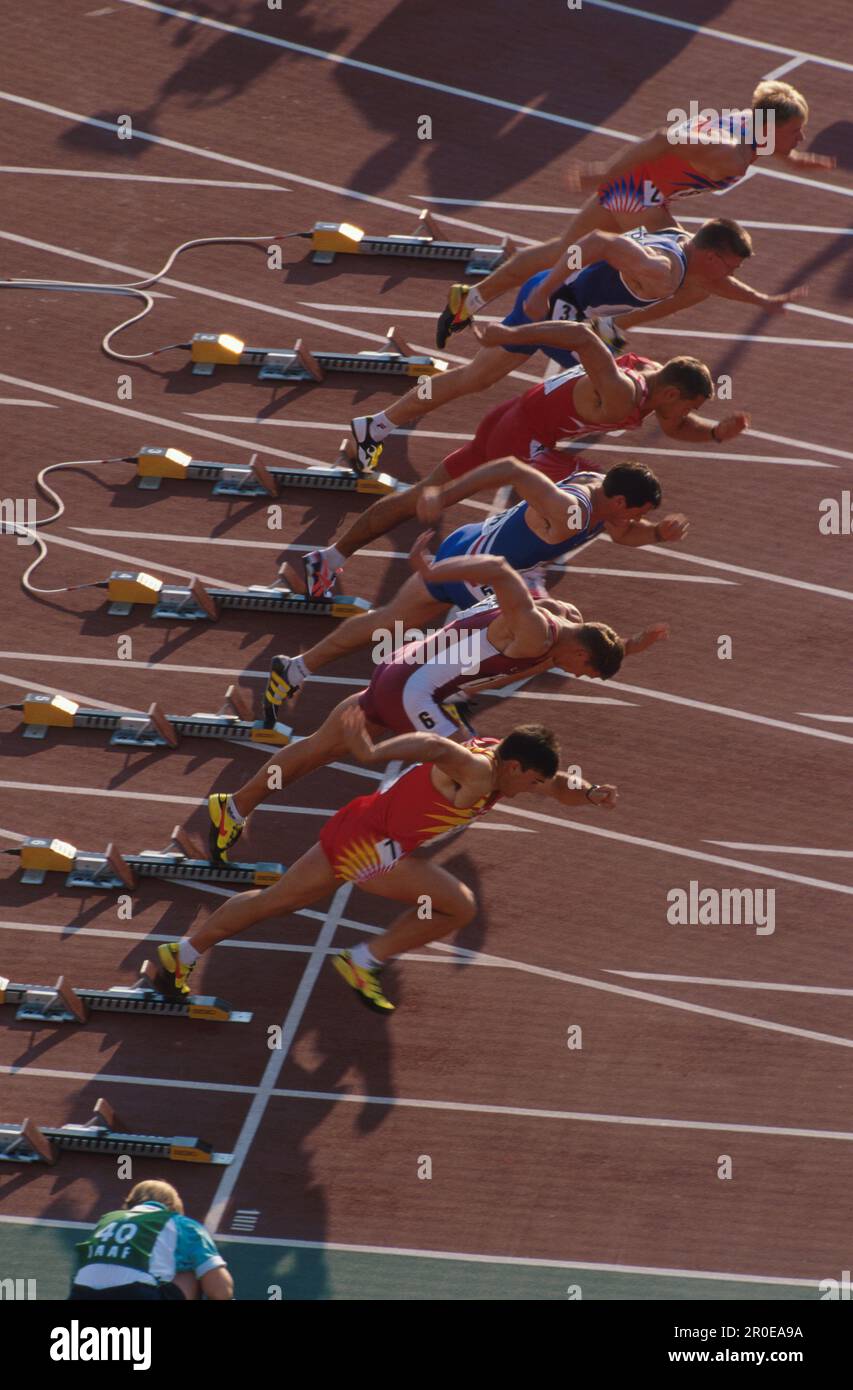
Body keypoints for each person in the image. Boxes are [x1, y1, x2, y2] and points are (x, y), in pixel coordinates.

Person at [208, 538, 667, 863]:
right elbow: (499, 571)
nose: (572, 674)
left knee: (319, 749)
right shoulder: (533, 629)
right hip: (416, 691)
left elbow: (580, 643)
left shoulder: (564, 619)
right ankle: (380, 849)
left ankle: (233, 807)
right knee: (486, 773)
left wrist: (626, 647)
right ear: (581, 652)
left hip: (402, 671)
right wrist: (433, 571)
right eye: (580, 669)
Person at [159, 714, 616, 1013]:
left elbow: (556, 786)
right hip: (373, 849)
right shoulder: (478, 772)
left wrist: (591, 793)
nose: (530, 789)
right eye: (530, 779)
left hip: (360, 825)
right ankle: (364, 959)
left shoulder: (502, 763)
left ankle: (181, 954)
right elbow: (436, 746)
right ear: (514, 767)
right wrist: (372, 753)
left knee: (276, 902)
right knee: (460, 907)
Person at [299, 325, 743, 598]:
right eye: (688, 407)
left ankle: (331, 556)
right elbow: (582, 337)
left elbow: (674, 423)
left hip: (515, 419)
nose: (686, 417)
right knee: (607, 500)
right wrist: (508, 337)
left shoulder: (651, 374)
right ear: (670, 394)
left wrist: (715, 433)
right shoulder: (624, 393)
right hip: (523, 441)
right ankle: (528, 572)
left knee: (420, 496)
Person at [341, 218, 777, 470]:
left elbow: (717, 283)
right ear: (713, 257)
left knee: (477, 379)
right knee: (626, 399)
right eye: (731, 266)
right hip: (556, 310)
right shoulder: (663, 270)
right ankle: (539, 455)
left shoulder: (683, 240)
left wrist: (762, 300)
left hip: (570, 308)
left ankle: (375, 426)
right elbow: (598, 242)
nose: (730, 276)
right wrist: (544, 291)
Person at [434, 80, 833, 347]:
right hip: (636, 192)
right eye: (796, 130)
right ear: (770, 126)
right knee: (690, 274)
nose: (800, 138)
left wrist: (801, 161)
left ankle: (469, 301)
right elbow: (663, 138)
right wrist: (607, 171)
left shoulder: (757, 128)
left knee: (561, 251)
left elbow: (783, 148)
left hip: (646, 191)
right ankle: (602, 325)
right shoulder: (729, 151)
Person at [265, 460, 684, 712]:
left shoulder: (602, 493)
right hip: (483, 574)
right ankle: (437, 693)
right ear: (619, 502)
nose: (635, 521)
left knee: (390, 620)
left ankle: (296, 667)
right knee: (537, 640)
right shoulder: (570, 509)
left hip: (470, 548)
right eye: (638, 513)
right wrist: (442, 494)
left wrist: (658, 535)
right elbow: (508, 468)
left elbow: (626, 533)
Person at [68, 1180, 234, 1301]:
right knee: (192, 1270)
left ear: (129, 1204)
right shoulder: (181, 1223)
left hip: (80, 1295)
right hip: (136, 1295)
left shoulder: (106, 1221)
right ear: (174, 1207)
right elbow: (220, 1292)